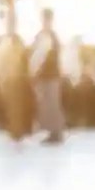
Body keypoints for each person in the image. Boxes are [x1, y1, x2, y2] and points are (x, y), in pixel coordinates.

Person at [29, 9, 66, 145]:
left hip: (50, 75)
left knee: (52, 104)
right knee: (46, 104)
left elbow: (43, 56)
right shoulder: (43, 36)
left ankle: (56, 132)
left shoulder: (51, 37)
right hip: (44, 75)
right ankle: (52, 131)